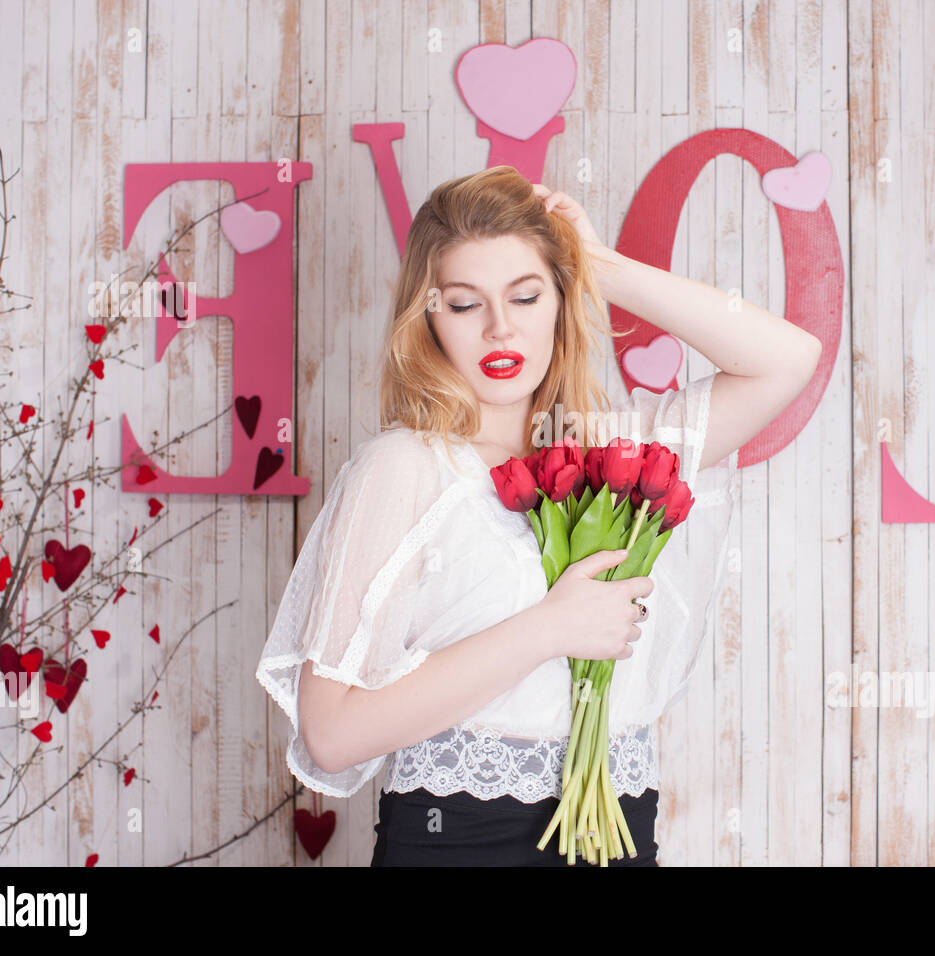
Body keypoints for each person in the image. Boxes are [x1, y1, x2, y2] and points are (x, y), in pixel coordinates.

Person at [255, 165, 822, 866]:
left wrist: (598, 265)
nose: (500, 329)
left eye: (526, 295)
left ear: (560, 299)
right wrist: (549, 628)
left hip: (618, 838)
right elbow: (331, 731)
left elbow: (789, 359)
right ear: (428, 316)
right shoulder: (405, 467)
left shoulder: (615, 447)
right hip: (459, 844)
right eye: (464, 305)